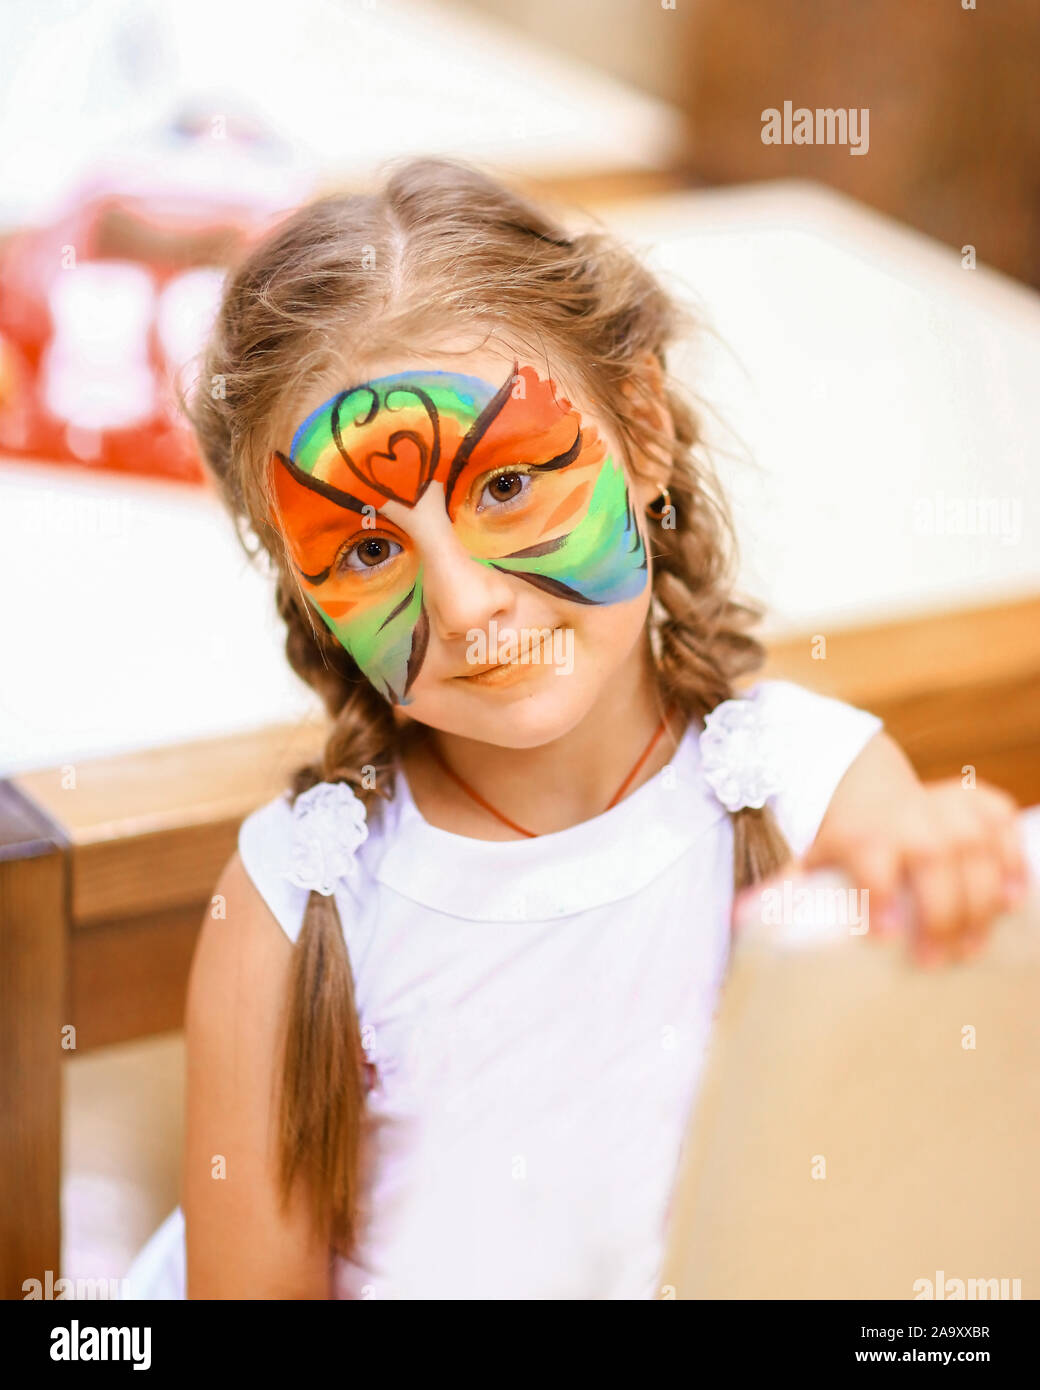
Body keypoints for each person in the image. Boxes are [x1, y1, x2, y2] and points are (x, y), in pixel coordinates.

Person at [123, 157, 1027, 1300]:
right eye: (366, 550)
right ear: (308, 597)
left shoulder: (816, 790)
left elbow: (917, 1191)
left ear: (641, 430)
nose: (462, 606)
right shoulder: (293, 909)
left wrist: (935, 863)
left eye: (503, 488)